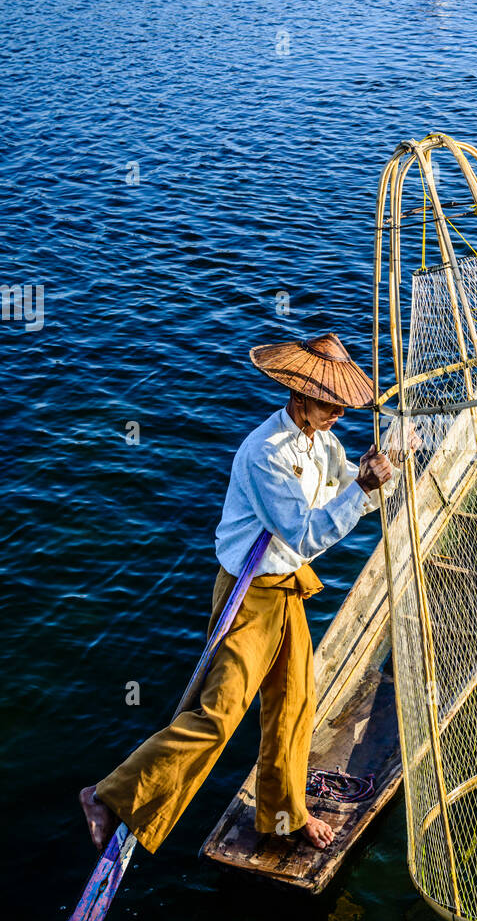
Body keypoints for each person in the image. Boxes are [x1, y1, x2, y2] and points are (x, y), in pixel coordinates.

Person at [79, 332, 395, 856]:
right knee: (219, 714)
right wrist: (361, 490)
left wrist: (373, 480)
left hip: (289, 587)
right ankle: (107, 794)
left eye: (342, 405)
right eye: (329, 403)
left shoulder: (326, 443)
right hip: (250, 593)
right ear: (299, 397)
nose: (339, 413)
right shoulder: (263, 454)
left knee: (295, 701)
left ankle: (285, 815)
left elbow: (350, 501)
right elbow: (306, 532)